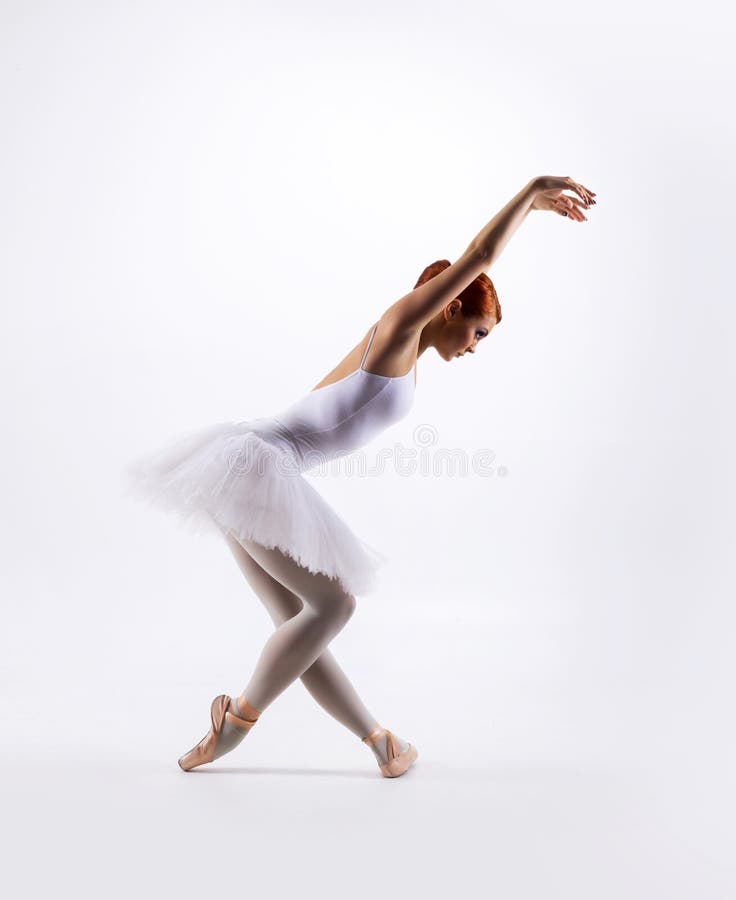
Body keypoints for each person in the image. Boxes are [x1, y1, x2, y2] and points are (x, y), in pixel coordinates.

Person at [122, 174, 596, 777]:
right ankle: (235, 723)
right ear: (449, 306)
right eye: (478, 332)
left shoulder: (405, 357)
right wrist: (530, 195)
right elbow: (479, 255)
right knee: (333, 607)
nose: (476, 347)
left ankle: (380, 744)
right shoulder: (398, 328)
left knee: (300, 625)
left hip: (254, 468)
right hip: (257, 464)